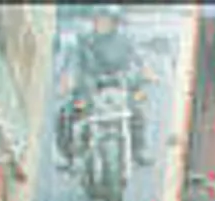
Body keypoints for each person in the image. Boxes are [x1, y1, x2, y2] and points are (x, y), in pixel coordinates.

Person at [55, 5, 154, 169]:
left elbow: (138, 58)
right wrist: (67, 80)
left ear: (115, 23)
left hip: (119, 85)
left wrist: (146, 71)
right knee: (66, 113)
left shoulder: (125, 41)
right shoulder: (83, 40)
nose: (102, 24)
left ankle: (139, 151)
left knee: (137, 111)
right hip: (90, 87)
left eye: (107, 21)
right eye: (99, 20)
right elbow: (72, 62)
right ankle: (67, 156)